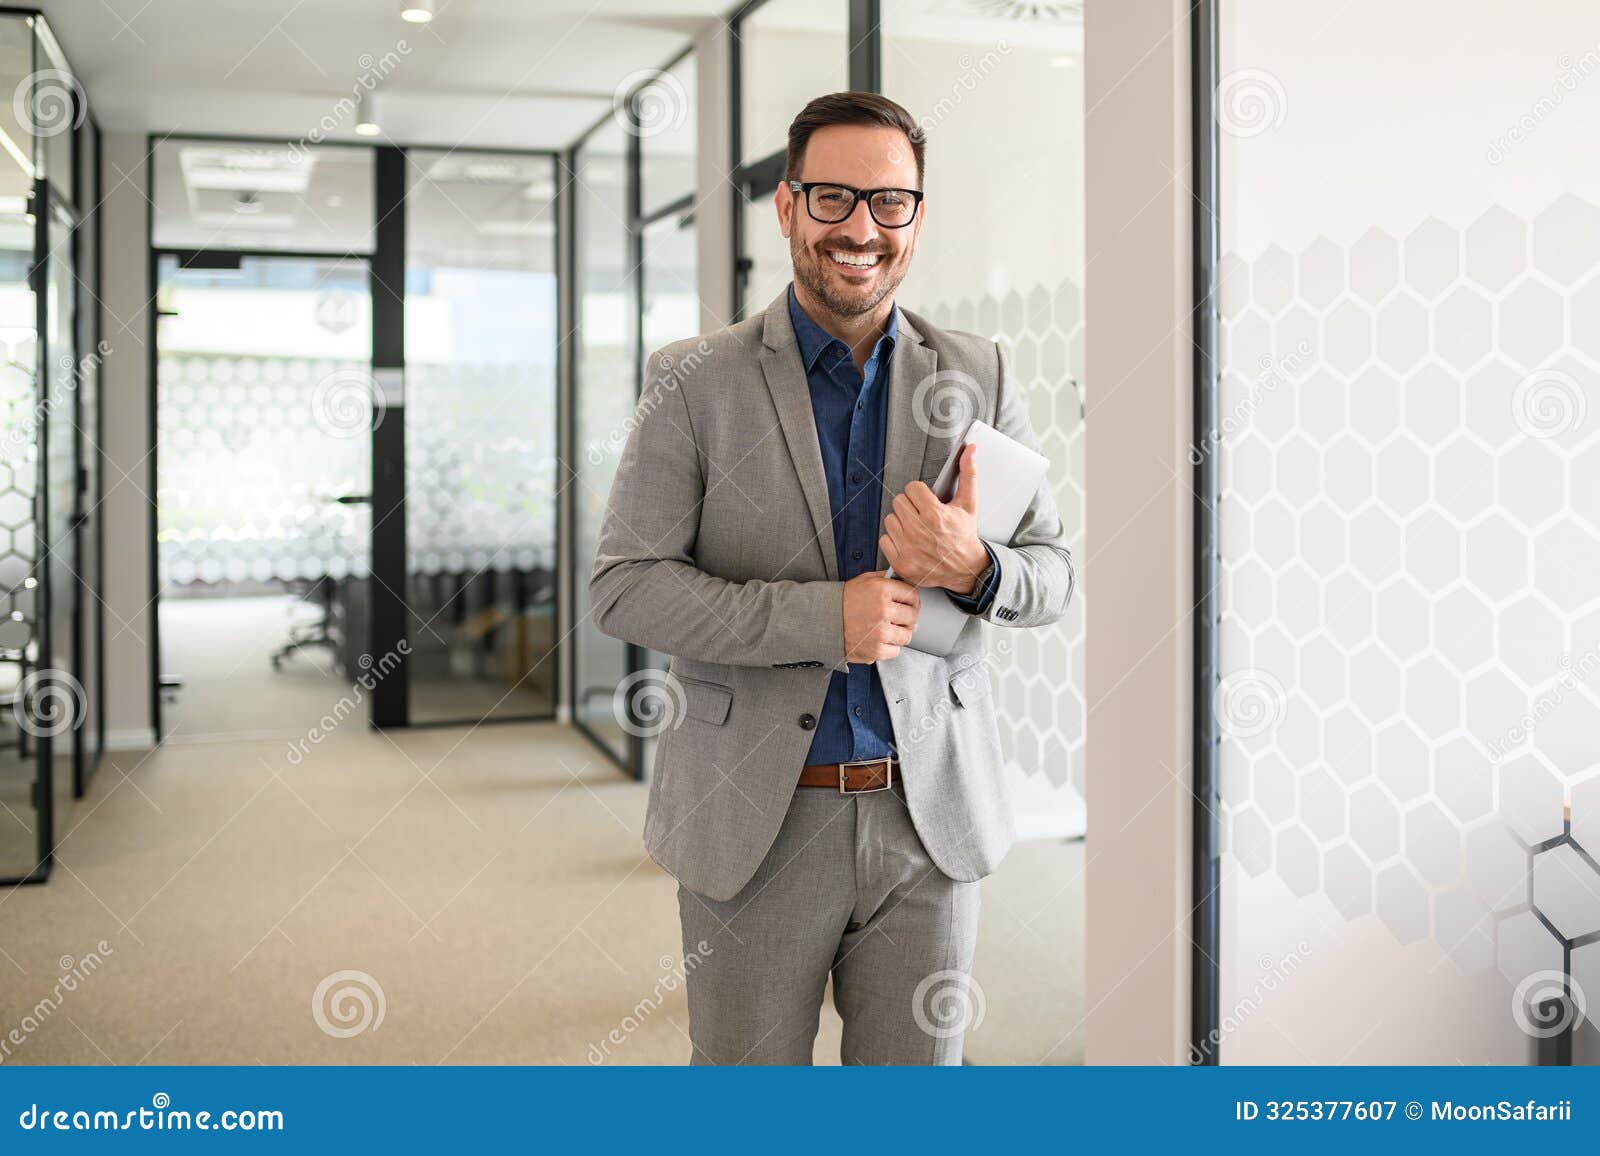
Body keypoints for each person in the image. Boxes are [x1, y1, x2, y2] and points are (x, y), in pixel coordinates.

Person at [590, 91, 1074, 1065]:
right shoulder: (692, 380)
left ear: (918, 216)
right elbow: (625, 587)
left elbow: (1053, 577)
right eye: (832, 198)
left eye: (890, 202)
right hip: (756, 820)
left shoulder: (976, 371)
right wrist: (825, 619)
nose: (860, 228)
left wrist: (975, 568)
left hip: (926, 816)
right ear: (786, 206)